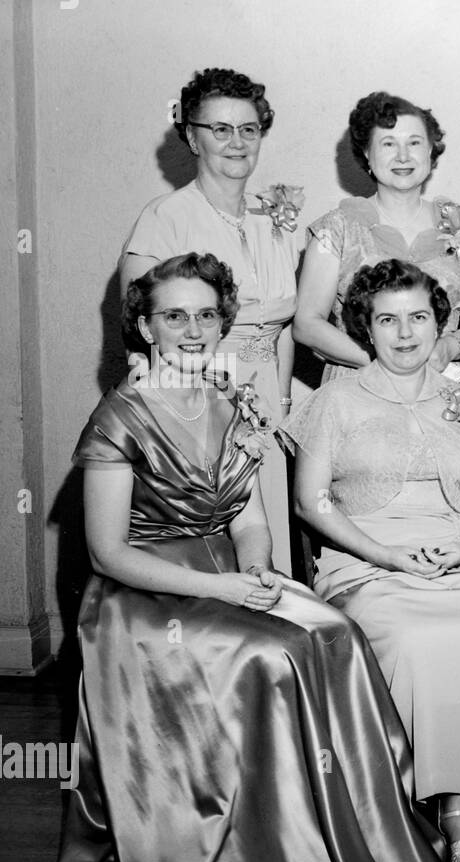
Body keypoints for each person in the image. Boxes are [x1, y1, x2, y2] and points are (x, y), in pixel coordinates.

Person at [26, 254, 450, 862]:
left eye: (206, 315)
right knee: (271, 653)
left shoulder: (235, 401)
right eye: (173, 316)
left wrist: (256, 568)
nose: (192, 330)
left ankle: (346, 841)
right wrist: (226, 590)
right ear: (143, 326)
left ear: (223, 322)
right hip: (141, 601)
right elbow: (106, 553)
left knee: (335, 632)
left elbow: (251, 518)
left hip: (228, 571)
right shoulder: (120, 416)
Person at [284, 260, 460, 862]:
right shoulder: (333, 400)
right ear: (366, 327)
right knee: (415, 637)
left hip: (455, 556)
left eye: (419, 317)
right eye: (388, 319)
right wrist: (386, 555)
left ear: (441, 323)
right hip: (365, 560)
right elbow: (311, 502)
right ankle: (415, 797)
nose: (406, 332)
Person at [120, 68, 303, 575]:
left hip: (268, 395)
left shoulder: (275, 220)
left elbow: (283, 326)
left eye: (249, 129)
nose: (236, 142)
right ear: (192, 137)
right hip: (200, 396)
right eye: (220, 129)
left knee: (268, 545)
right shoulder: (166, 217)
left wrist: (283, 403)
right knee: (218, 546)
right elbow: (139, 330)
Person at [293, 92, 460, 391]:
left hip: (443, 389)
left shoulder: (459, 226)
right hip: (360, 388)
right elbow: (307, 323)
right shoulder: (336, 228)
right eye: (388, 144)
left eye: (414, 143)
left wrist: (449, 348)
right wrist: (380, 359)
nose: (403, 156)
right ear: (367, 155)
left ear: (430, 153)